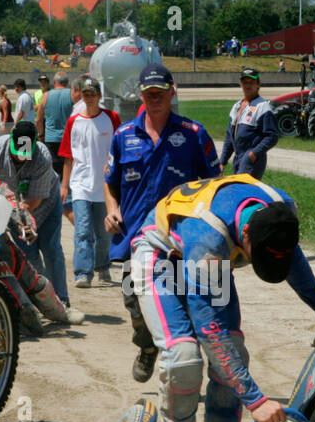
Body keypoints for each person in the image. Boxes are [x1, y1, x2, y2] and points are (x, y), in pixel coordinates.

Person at [132, 174, 315, 422]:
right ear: (246, 233)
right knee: (184, 359)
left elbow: (290, 256)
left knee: (232, 358)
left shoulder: (280, 212)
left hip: (211, 265)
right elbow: (210, 331)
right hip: (162, 257)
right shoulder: (209, 237)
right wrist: (255, 400)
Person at [104, 63, 222, 382]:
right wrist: (111, 209)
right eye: (148, 92)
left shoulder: (194, 135)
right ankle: (147, 346)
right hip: (134, 238)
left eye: (160, 92)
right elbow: (109, 181)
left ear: (172, 92)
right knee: (133, 301)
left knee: (185, 299)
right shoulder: (123, 136)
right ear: (141, 96)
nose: (155, 97)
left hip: (180, 239)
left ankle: (187, 361)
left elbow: (216, 184)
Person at [0, 121, 77, 318]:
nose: (21, 157)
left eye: (26, 153)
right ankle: (41, 300)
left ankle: (61, 300)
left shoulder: (42, 156)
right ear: (10, 141)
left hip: (45, 203)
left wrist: (25, 221)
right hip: (13, 208)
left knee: (51, 249)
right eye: (17, 152)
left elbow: (34, 200)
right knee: (27, 255)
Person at [60, 76, 121, 289]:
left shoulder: (112, 118)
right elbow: (68, 155)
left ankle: (102, 266)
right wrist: (65, 184)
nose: (89, 98)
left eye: (93, 94)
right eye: (85, 95)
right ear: (82, 96)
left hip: (104, 185)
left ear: (99, 96)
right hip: (80, 184)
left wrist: (115, 172)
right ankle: (83, 273)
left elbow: (120, 149)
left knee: (104, 233)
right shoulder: (73, 121)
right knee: (83, 230)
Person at [219, 67, 279, 180]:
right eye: (244, 82)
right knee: (237, 189)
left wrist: (253, 153)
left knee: (243, 189)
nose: (248, 85)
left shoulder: (262, 107)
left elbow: (272, 136)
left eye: (251, 82)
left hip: (252, 159)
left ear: (258, 84)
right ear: (240, 84)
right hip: (238, 157)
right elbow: (229, 137)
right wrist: (222, 161)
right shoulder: (236, 106)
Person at [39, 72, 73, 178]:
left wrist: (41, 135)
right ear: (67, 82)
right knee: (68, 169)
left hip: (51, 138)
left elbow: (39, 119)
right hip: (68, 138)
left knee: (54, 171)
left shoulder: (46, 95)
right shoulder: (72, 94)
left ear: (54, 82)